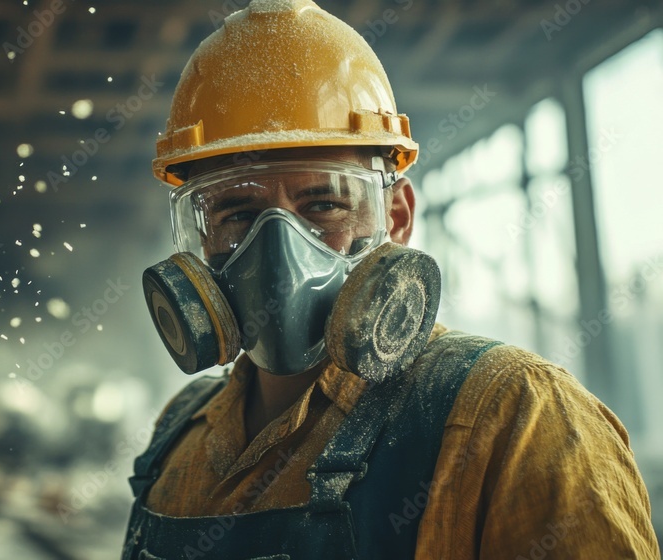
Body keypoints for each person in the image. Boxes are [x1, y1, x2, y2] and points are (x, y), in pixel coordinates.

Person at [121, 0, 661, 558]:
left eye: (324, 204)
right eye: (236, 213)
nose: (278, 248)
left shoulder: (514, 418)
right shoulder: (178, 433)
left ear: (396, 217)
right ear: (199, 241)